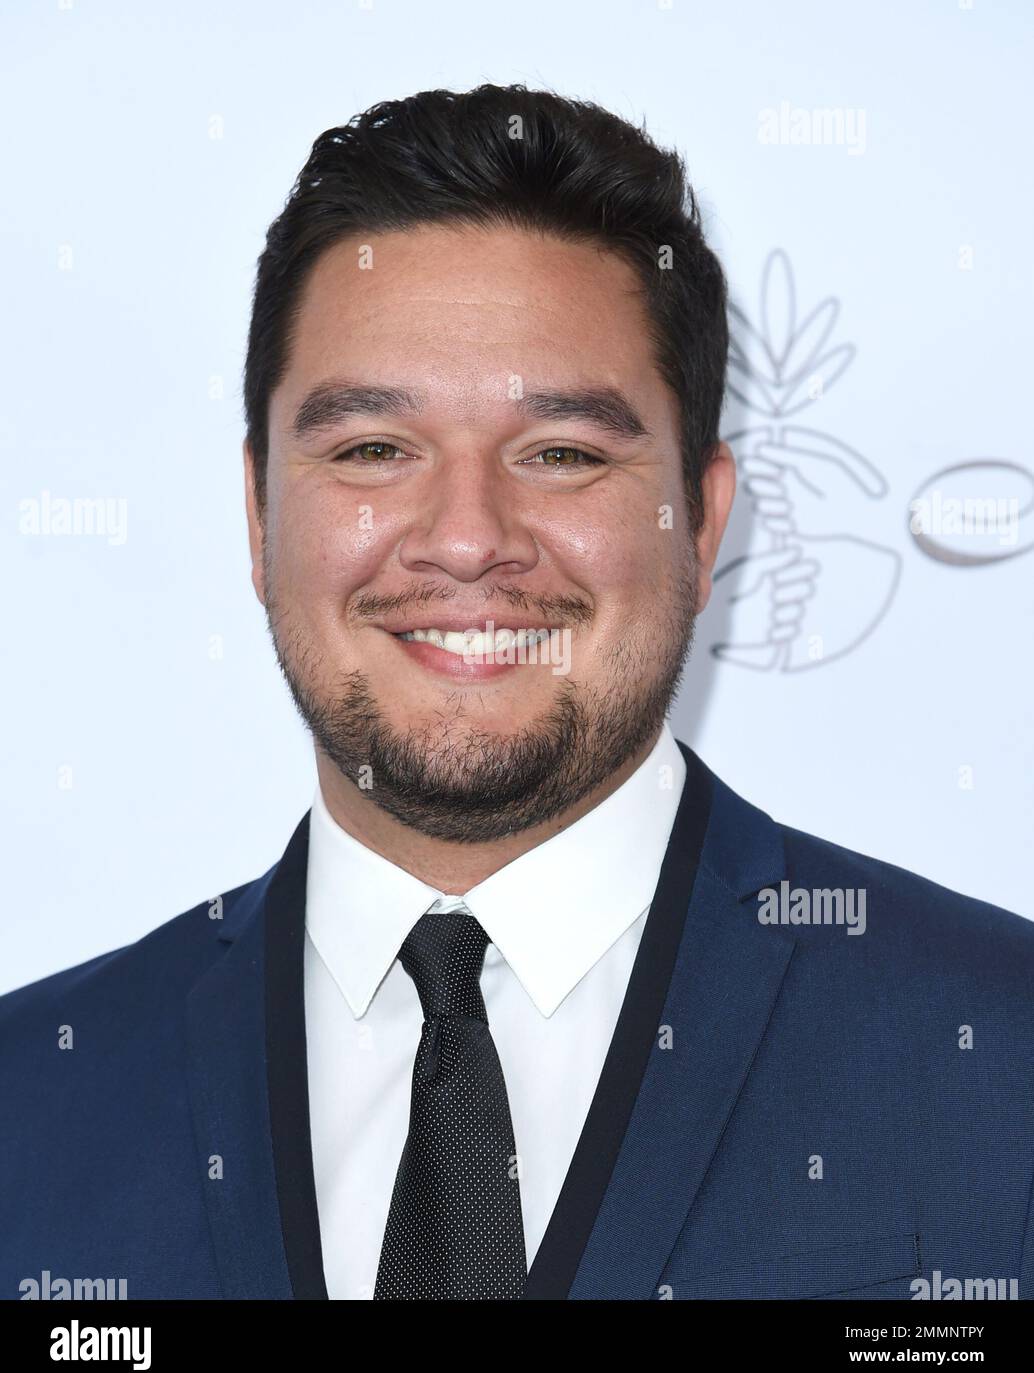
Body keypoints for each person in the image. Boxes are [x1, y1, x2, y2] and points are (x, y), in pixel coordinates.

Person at [3, 84, 1033, 1302]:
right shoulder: (34, 1102)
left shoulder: (995, 1062)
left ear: (701, 520)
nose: (466, 539)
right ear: (259, 511)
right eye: (374, 450)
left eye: (561, 455)